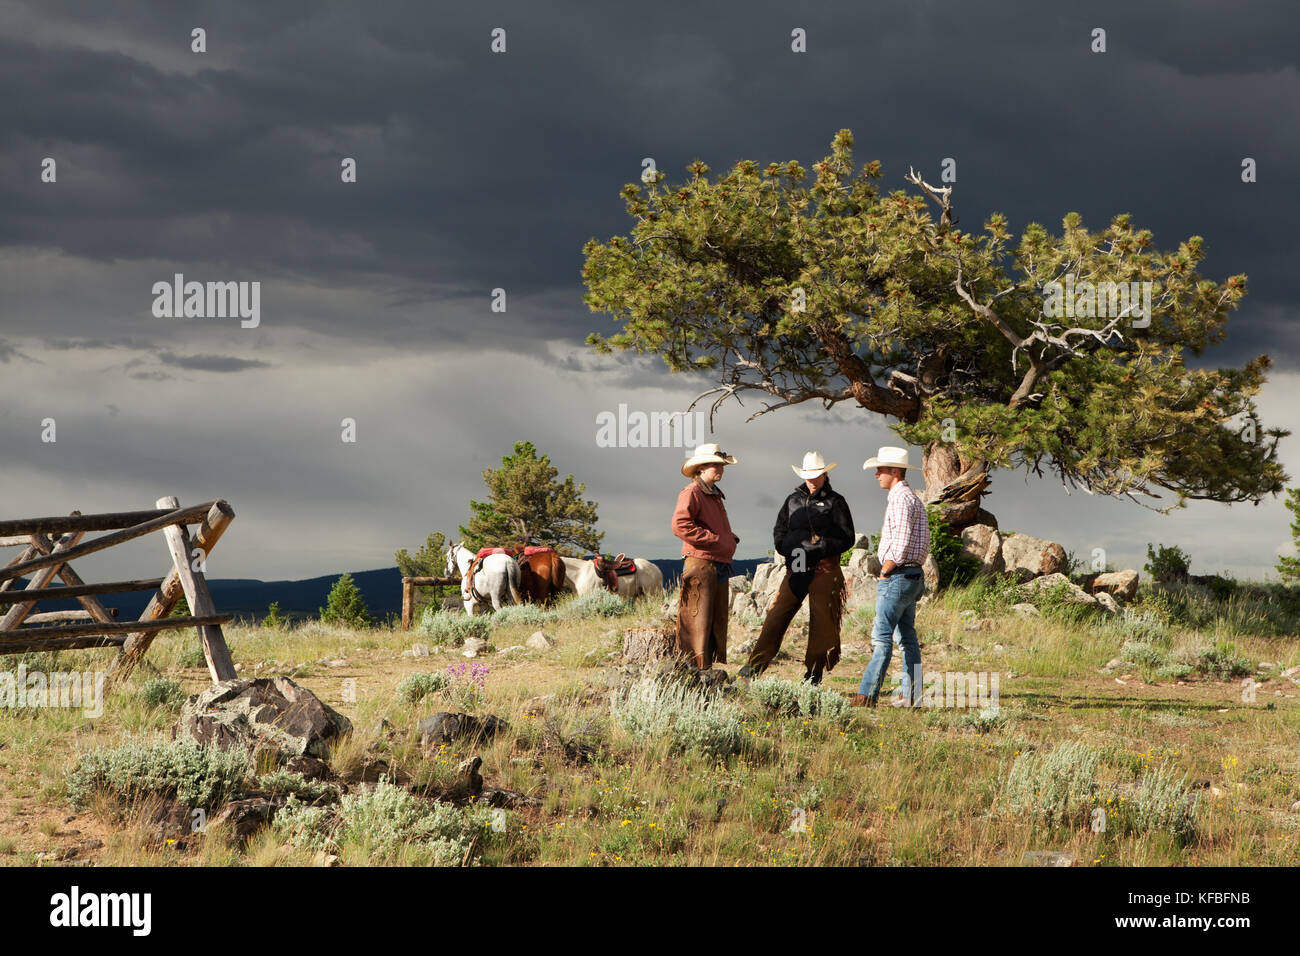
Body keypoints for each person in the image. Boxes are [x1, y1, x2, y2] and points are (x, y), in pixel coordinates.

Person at [739, 452, 854, 685]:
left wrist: (821, 547)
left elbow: (847, 537)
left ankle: (813, 675)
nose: (811, 479)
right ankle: (753, 668)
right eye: (808, 475)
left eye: (816, 475)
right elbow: (779, 531)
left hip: (824, 567)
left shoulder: (836, 502)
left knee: (821, 622)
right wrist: (786, 548)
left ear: (825, 474)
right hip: (797, 564)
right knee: (777, 615)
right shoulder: (792, 500)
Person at [851, 446, 931, 707]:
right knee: (907, 638)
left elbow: (902, 538)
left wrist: (886, 568)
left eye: (881, 470)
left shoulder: (899, 499)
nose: (877, 474)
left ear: (894, 471)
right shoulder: (913, 498)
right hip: (913, 575)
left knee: (882, 637)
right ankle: (912, 696)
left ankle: (867, 694)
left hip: (897, 575)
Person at [671, 443, 740, 669]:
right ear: (701, 468)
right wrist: (717, 540)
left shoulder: (714, 495)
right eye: (714, 465)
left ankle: (705, 672)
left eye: (721, 465)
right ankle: (693, 673)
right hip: (701, 564)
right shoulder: (692, 492)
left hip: (717, 565)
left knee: (713, 622)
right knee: (696, 621)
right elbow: (680, 525)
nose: (720, 469)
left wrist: (728, 539)